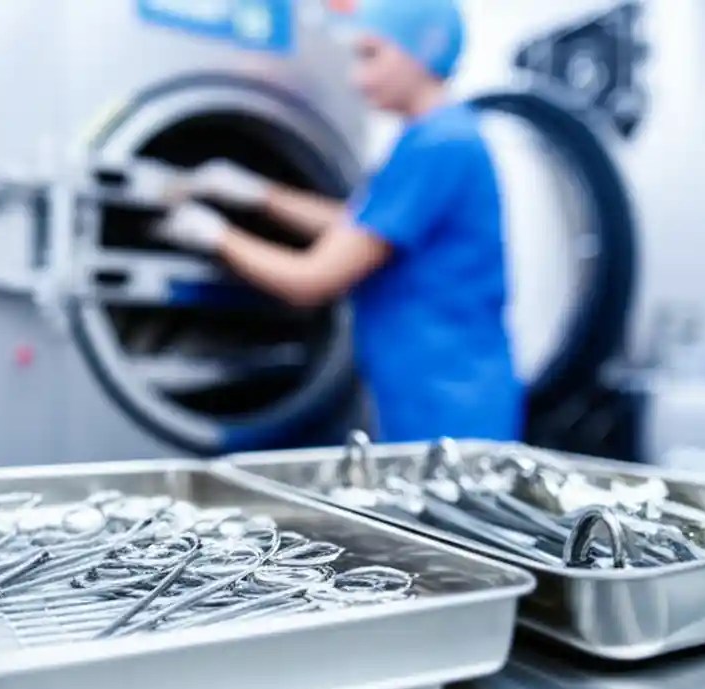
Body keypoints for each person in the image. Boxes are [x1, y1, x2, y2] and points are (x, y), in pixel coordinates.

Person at [153, 0, 521, 443]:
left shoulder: (437, 145)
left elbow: (312, 279)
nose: (355, 77)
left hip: (445, 404)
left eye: (370, 54)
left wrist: (215, 235)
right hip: (441, 391)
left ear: (423, 50)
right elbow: (360, 225)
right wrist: (256, 194)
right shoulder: (444, 135)